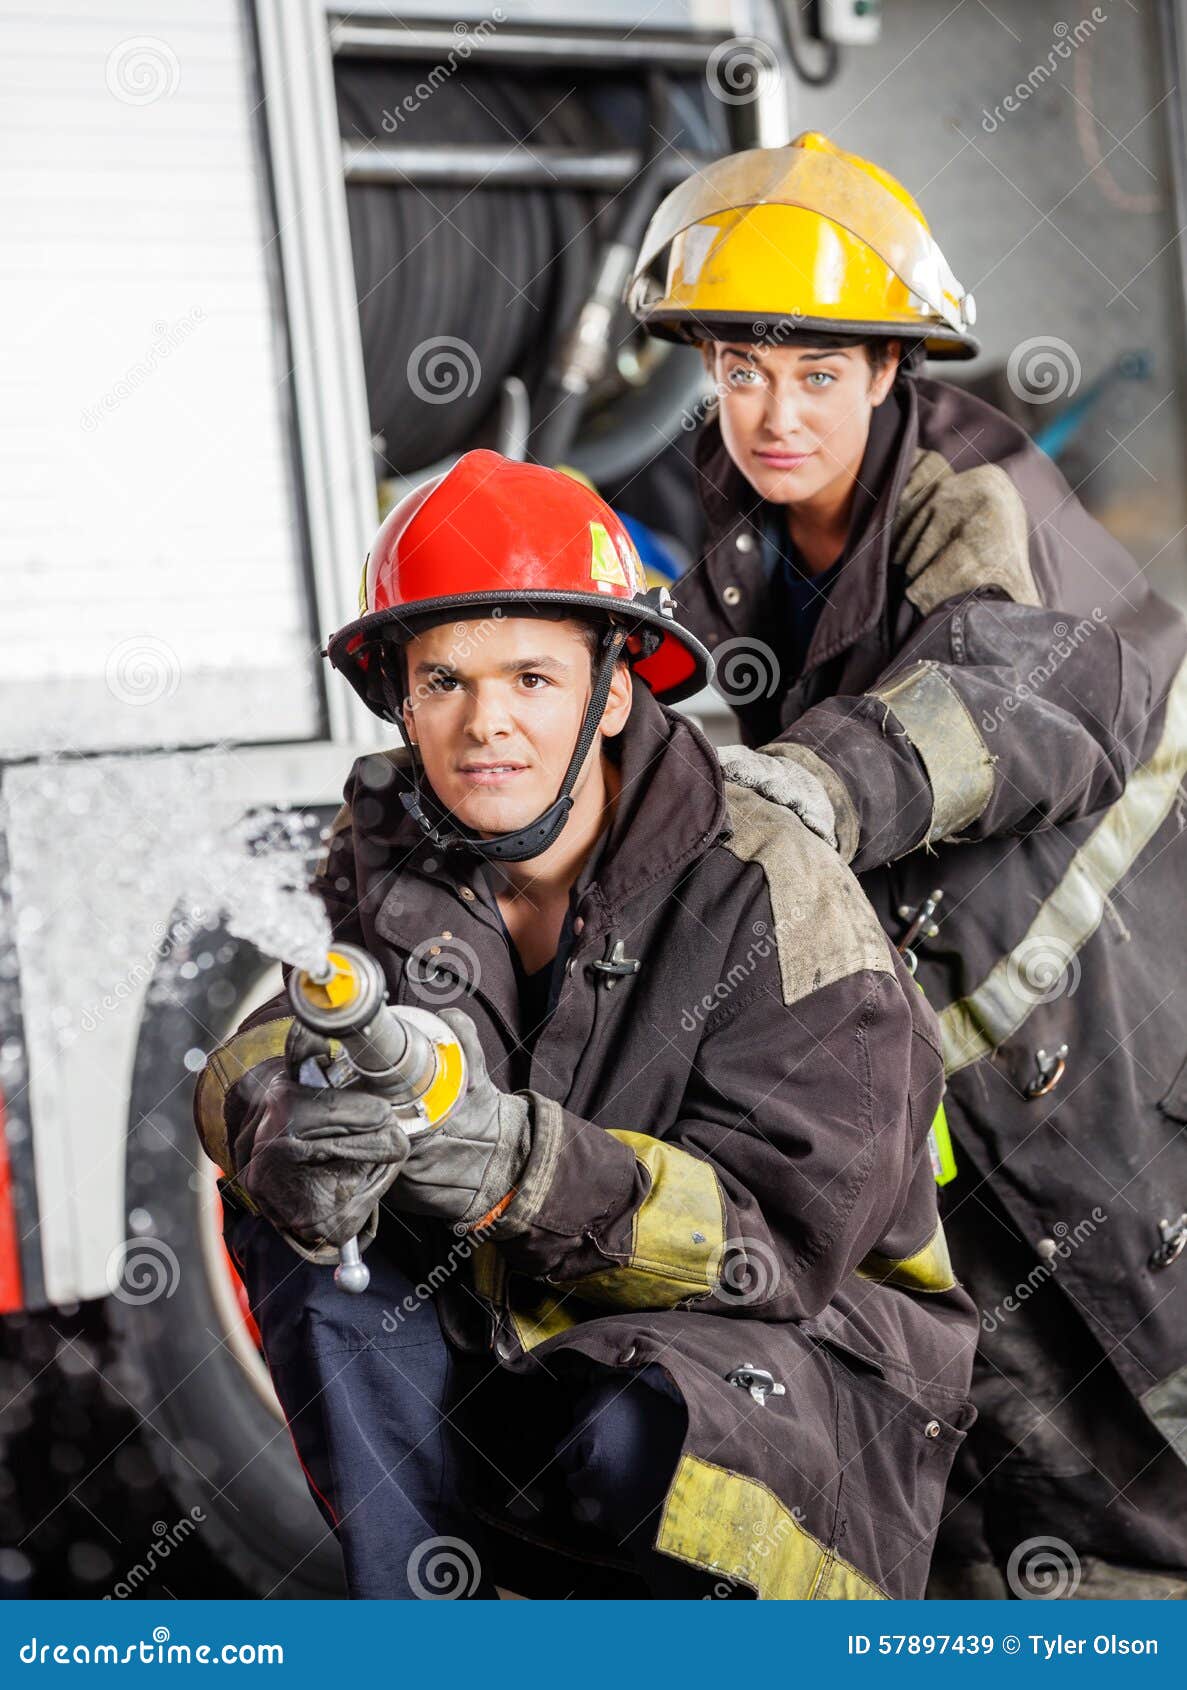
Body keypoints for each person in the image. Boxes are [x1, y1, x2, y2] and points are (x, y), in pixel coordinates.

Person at [194, 451, 977, 1601]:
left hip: (802, 1370)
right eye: (443, 681)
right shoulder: (384, 857)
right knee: (296, 1221)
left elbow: (783, 1241)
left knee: (629, 1424)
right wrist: (275, 1118)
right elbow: (274, 1038)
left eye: (530, 678)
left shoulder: (766, 881)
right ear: (400, 699)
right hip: (539, 1338)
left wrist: (521, 1170)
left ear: (612, 692)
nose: (483, 726)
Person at [628, 129, 1187, 1598]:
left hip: (1103, 1028)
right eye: (740, 366)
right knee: (995, 1453)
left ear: (889, 371)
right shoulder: (732, 509)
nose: (772, 409)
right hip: (956, 1058)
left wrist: (816, 781)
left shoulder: (972, 496)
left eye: (815, 372)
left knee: (1141, 1443)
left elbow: (1020, 688)